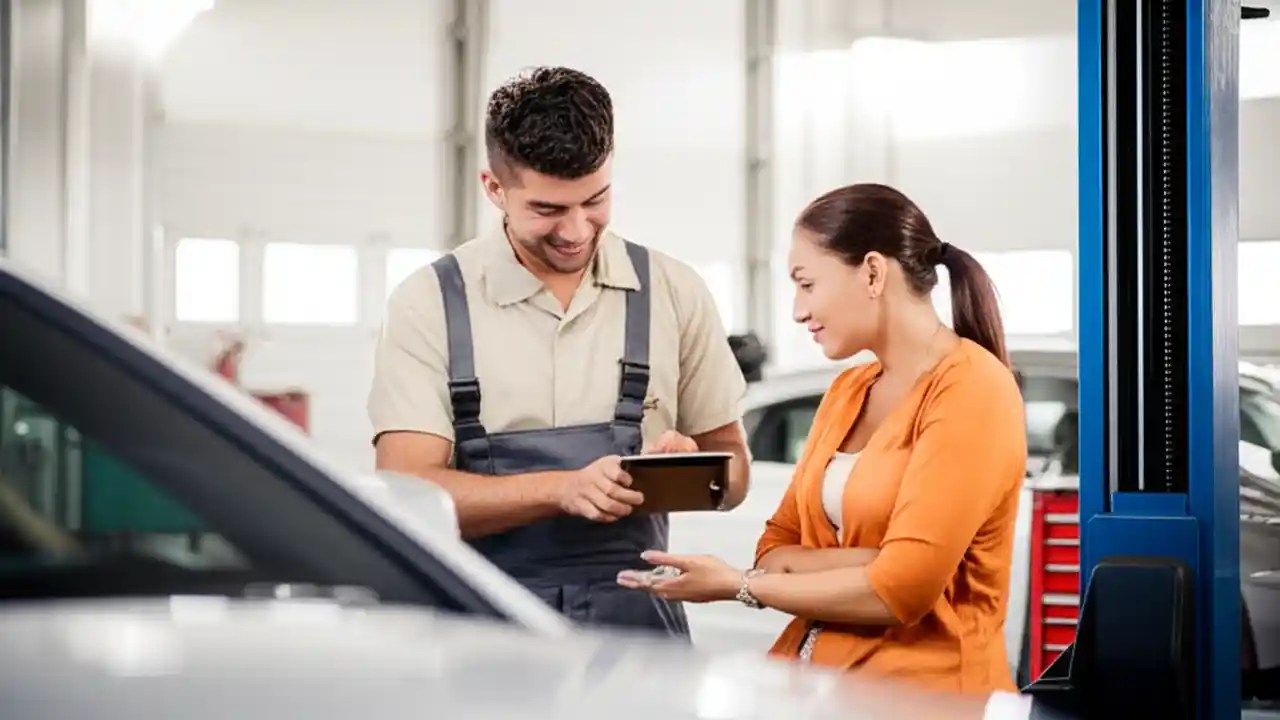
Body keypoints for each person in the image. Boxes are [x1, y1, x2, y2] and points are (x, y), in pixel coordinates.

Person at [367, 66, 751, 637]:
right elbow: (408, 494)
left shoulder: (672, 291)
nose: (576, 230)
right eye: (548, 209)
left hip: (637, 634)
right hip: (483, 631)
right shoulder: (430, 303)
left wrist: (689, 468)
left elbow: (735, 474)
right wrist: (560, 489)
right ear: (493, 187)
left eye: (594, 200)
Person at [618, 183, 1027, 693]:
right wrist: (878, 562)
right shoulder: (848, 390)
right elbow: (776, 545)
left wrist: (741, 585)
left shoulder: (972, 389)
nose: (797, 310)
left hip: (924, 697)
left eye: (806, 284)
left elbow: (901, 592)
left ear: (873, 273)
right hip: (826, 688)